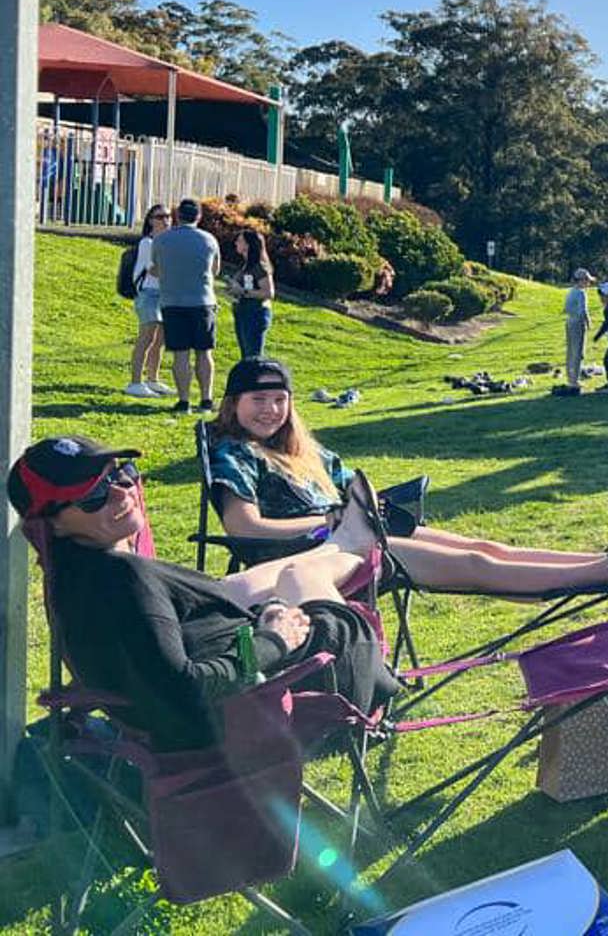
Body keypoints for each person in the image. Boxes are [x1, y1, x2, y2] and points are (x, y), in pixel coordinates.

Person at [8, 433, 397, 752]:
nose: (122, 492)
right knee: (306, 579)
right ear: (53, 524)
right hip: (285, 698)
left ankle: (346, 542)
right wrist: (272, 640)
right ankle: (350, 543)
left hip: (241, 697)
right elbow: (186, 688)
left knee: (293, 578)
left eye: (121, 474)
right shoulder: (120, 578)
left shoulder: (75, 576)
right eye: (94, 495)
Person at [209, 358, 608, 596]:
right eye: (257, 399)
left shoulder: (303, 450)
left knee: (485, 547)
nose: (270, 409)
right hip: (322, 553)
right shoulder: (236, 453)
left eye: (279, 399)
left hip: (360, 533)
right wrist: (329, 523)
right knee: (476, 567)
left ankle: (605, 559)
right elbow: (243, 527)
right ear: (234, 403)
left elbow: (352, 484)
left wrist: (373, 505)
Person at [151, 197, 222, 413]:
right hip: (203, 302)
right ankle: (206, 399)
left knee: (180, 354)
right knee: (204, 352)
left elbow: (156, 268)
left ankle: (183, 401)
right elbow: (215, 270)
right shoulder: (209, 240)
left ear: (178, 216)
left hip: (172, 302)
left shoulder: (162, 240)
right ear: (198, 216)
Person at [124, 204, 173, 398]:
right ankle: (135, 381)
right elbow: (153, 269)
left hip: (163, 294)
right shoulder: (148, 243)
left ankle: (153, 378)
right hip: (148, 293)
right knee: (147, 337)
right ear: (151, 220)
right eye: (160, 217)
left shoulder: (166, 243)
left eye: (168, 216)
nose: (166, 220)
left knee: (159, 339)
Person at [229, 229, 276, 361]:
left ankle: (255, 380)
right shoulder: (245, 266)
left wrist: (243, 291)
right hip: (243, 312)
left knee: (253, 356)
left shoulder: (259, 267)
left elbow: (268, 292)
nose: (236, 243)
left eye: (239, 241)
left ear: (248, 245)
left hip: (255, 314)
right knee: (246, 356)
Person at [563, 268, 593, 391]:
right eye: (587, 281)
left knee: (570, 351)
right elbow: (583, 311)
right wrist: (588, 322)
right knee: (578, 352)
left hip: (569, 321)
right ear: (581, 281)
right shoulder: (581, 293)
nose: (588, 284)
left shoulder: (570, 292)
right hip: (577, 323)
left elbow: (566, 308)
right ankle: (574, 381)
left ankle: (571, 377)